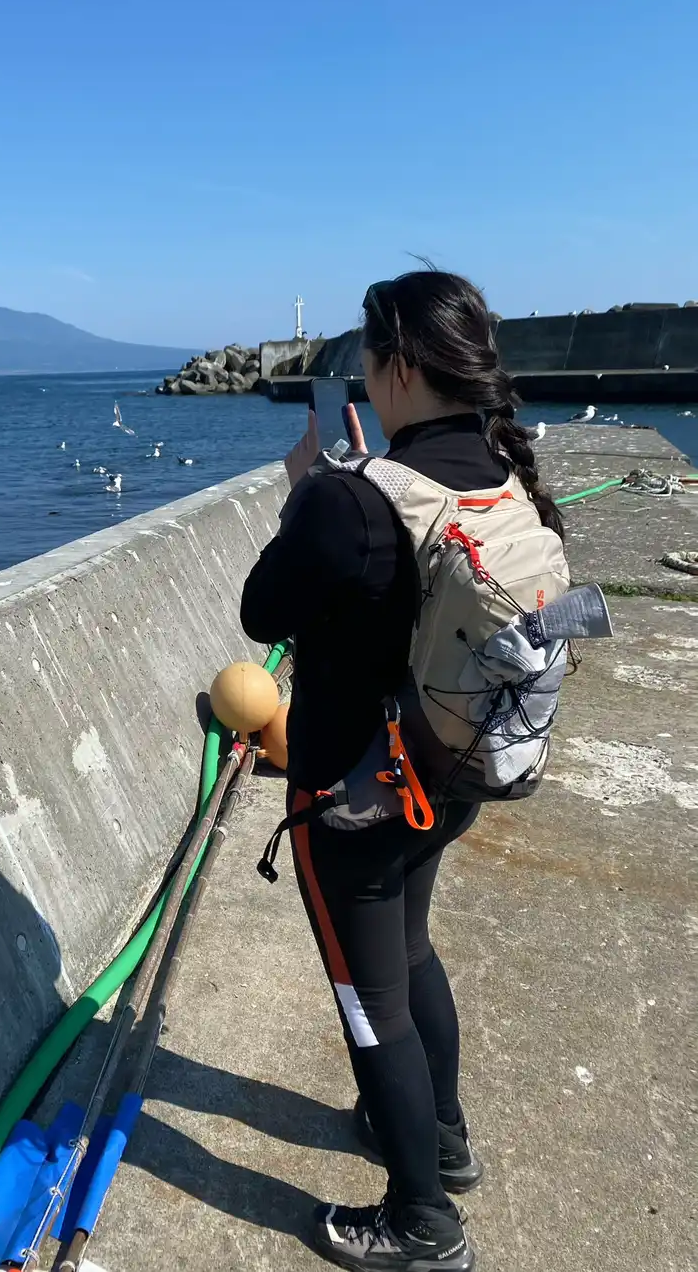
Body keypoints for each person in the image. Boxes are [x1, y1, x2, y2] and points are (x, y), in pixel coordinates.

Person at [240, 270, 566, 1272]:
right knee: (412, 952)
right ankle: (444, 1138)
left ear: (399, 368)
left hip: (354, 797)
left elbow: (263, 613)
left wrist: (306, 487)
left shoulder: (351, 499)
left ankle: (423, 1220)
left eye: (367, 358)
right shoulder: (506, 476)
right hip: (451, 776)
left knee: (367, 996)